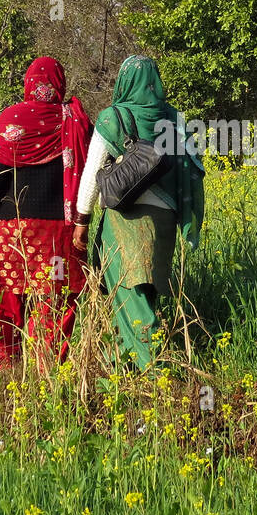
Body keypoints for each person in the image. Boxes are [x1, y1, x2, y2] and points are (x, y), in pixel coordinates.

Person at [72, 55, 204, 372]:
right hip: (165, 223)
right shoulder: (175, 120)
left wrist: (82, 221)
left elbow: (91, 175)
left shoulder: (113, 118)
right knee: (145, 293)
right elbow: (191, 169)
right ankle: (118, 371)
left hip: (125, 221)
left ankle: (158, 373)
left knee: (131, 296)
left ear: (124, 82)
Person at [0, 56, 93, 371]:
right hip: (58, 236)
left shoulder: (13, 119)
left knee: (5, 298)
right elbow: (89, 177)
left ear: (29, 84)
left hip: (13, 232)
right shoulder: (74, 121)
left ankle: (6, 365)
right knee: (53, 303)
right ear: (60, 84)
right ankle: (47, 370)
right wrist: (83, 223)